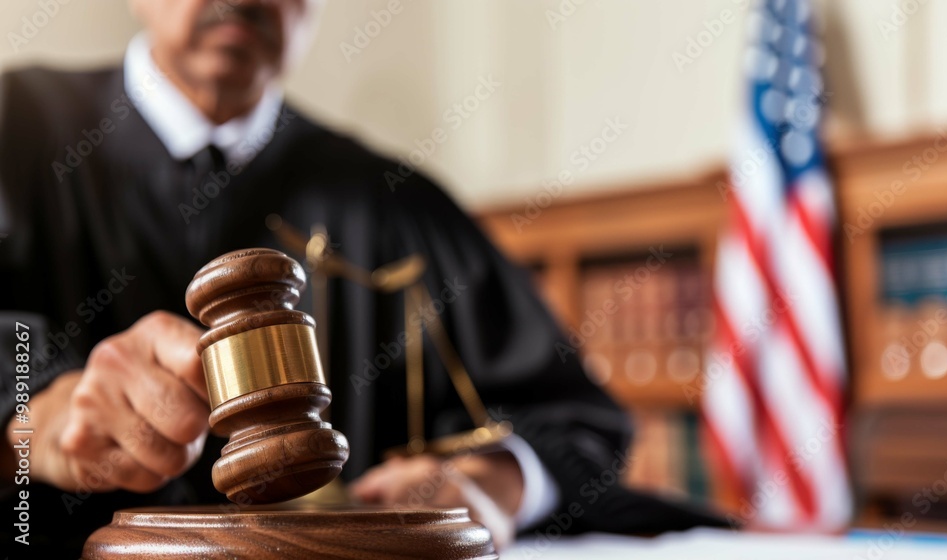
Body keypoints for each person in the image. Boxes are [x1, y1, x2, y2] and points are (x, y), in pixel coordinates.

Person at [0, 0, 724, 556]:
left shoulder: (396, 203)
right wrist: (34, 416)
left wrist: (489, 482)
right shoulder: (17, 132)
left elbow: (577, 421)